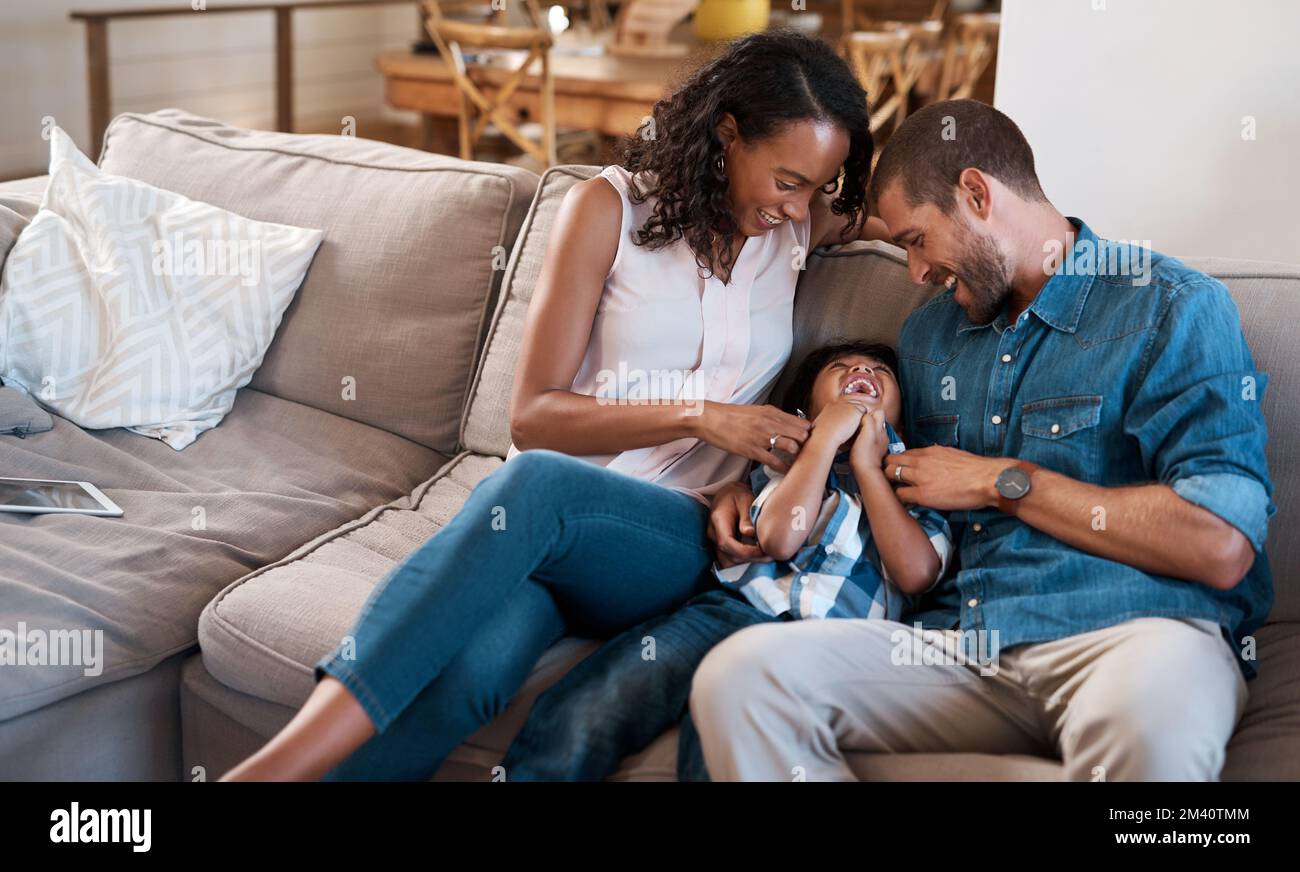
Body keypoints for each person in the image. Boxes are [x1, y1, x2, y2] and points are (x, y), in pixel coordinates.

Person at [220, 30, 890, 781]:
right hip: (544, 535)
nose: (798, 205)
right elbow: (534, 416)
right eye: (788, 180)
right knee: (465, 679)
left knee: (533, 488)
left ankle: (265, 775)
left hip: (670, 538)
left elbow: (921, 209)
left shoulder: (798, 227)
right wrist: (702, 415)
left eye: (817, 185)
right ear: (727, 136)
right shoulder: (607, 211)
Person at [691, 99, 1274, 782]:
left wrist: (1001, 482)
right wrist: (741, 481)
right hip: (958, 643)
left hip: (1135, 634)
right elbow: (868, 463)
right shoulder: (931, 337)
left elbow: (1221, 542)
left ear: (976, 193)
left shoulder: (1169, 307)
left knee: (1148, 731)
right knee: (740, 678)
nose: (913, 274)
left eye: (914, 240)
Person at [500, 342, 951, 780]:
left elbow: (915, 574)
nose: (863, 373)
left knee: (719, 741)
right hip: (732, 612)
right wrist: (824, 440)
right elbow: (779, 539)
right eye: (841, 367)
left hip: (827, 647)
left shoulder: (916, 480)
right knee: (604, 695)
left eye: (880, 372)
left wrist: (869, 470)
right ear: (805, 410)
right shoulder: (781, 470)